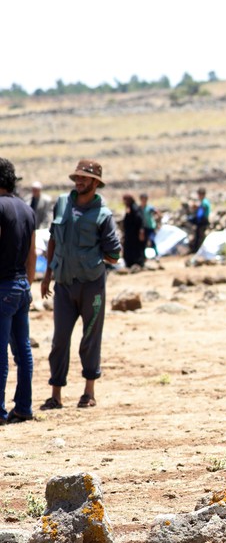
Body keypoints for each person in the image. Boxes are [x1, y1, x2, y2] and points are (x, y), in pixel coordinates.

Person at [39, 159, 121, 411]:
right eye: (77, 177)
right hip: (63, 283)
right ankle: (56, 394)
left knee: (90, 338)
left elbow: (114, 254)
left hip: (92, 286)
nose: (79, 181)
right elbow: (53, 237)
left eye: (84, 178)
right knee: (60, 340)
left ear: (96, 183)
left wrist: (92, 261)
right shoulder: (62, 203)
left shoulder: (103, 215)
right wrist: (47, 274)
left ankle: (88, 392)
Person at [0, 158, 37, 423]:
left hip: (3, 285)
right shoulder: (26, 209)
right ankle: (23, 407)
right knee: (22, 351)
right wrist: (28, 284)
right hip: (22, 284)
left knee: (0, 352)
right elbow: (32, 254)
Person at [120, 193, 146, 269]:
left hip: (135, 234)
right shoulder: (130, 208)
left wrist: (141, 232)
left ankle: (137, 263)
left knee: (136, 248)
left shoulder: (135, 208)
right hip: (130, 234)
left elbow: (140, 220)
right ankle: (130, 263)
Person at [188, 187, 211, 254]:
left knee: (200, 237)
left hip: (202, 222)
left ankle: (198, 251)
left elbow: (200, 214)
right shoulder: (204, 202)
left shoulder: (204, 202)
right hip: (201, 221)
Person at [139, 193, 160, 259]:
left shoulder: (149, 208)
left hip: (151, 227)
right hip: (143, 228)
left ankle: (157, 256)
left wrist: (157, 220)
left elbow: (158, 213)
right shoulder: (139, 208)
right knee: (143, 242)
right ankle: (143, 257)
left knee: (152, 240)